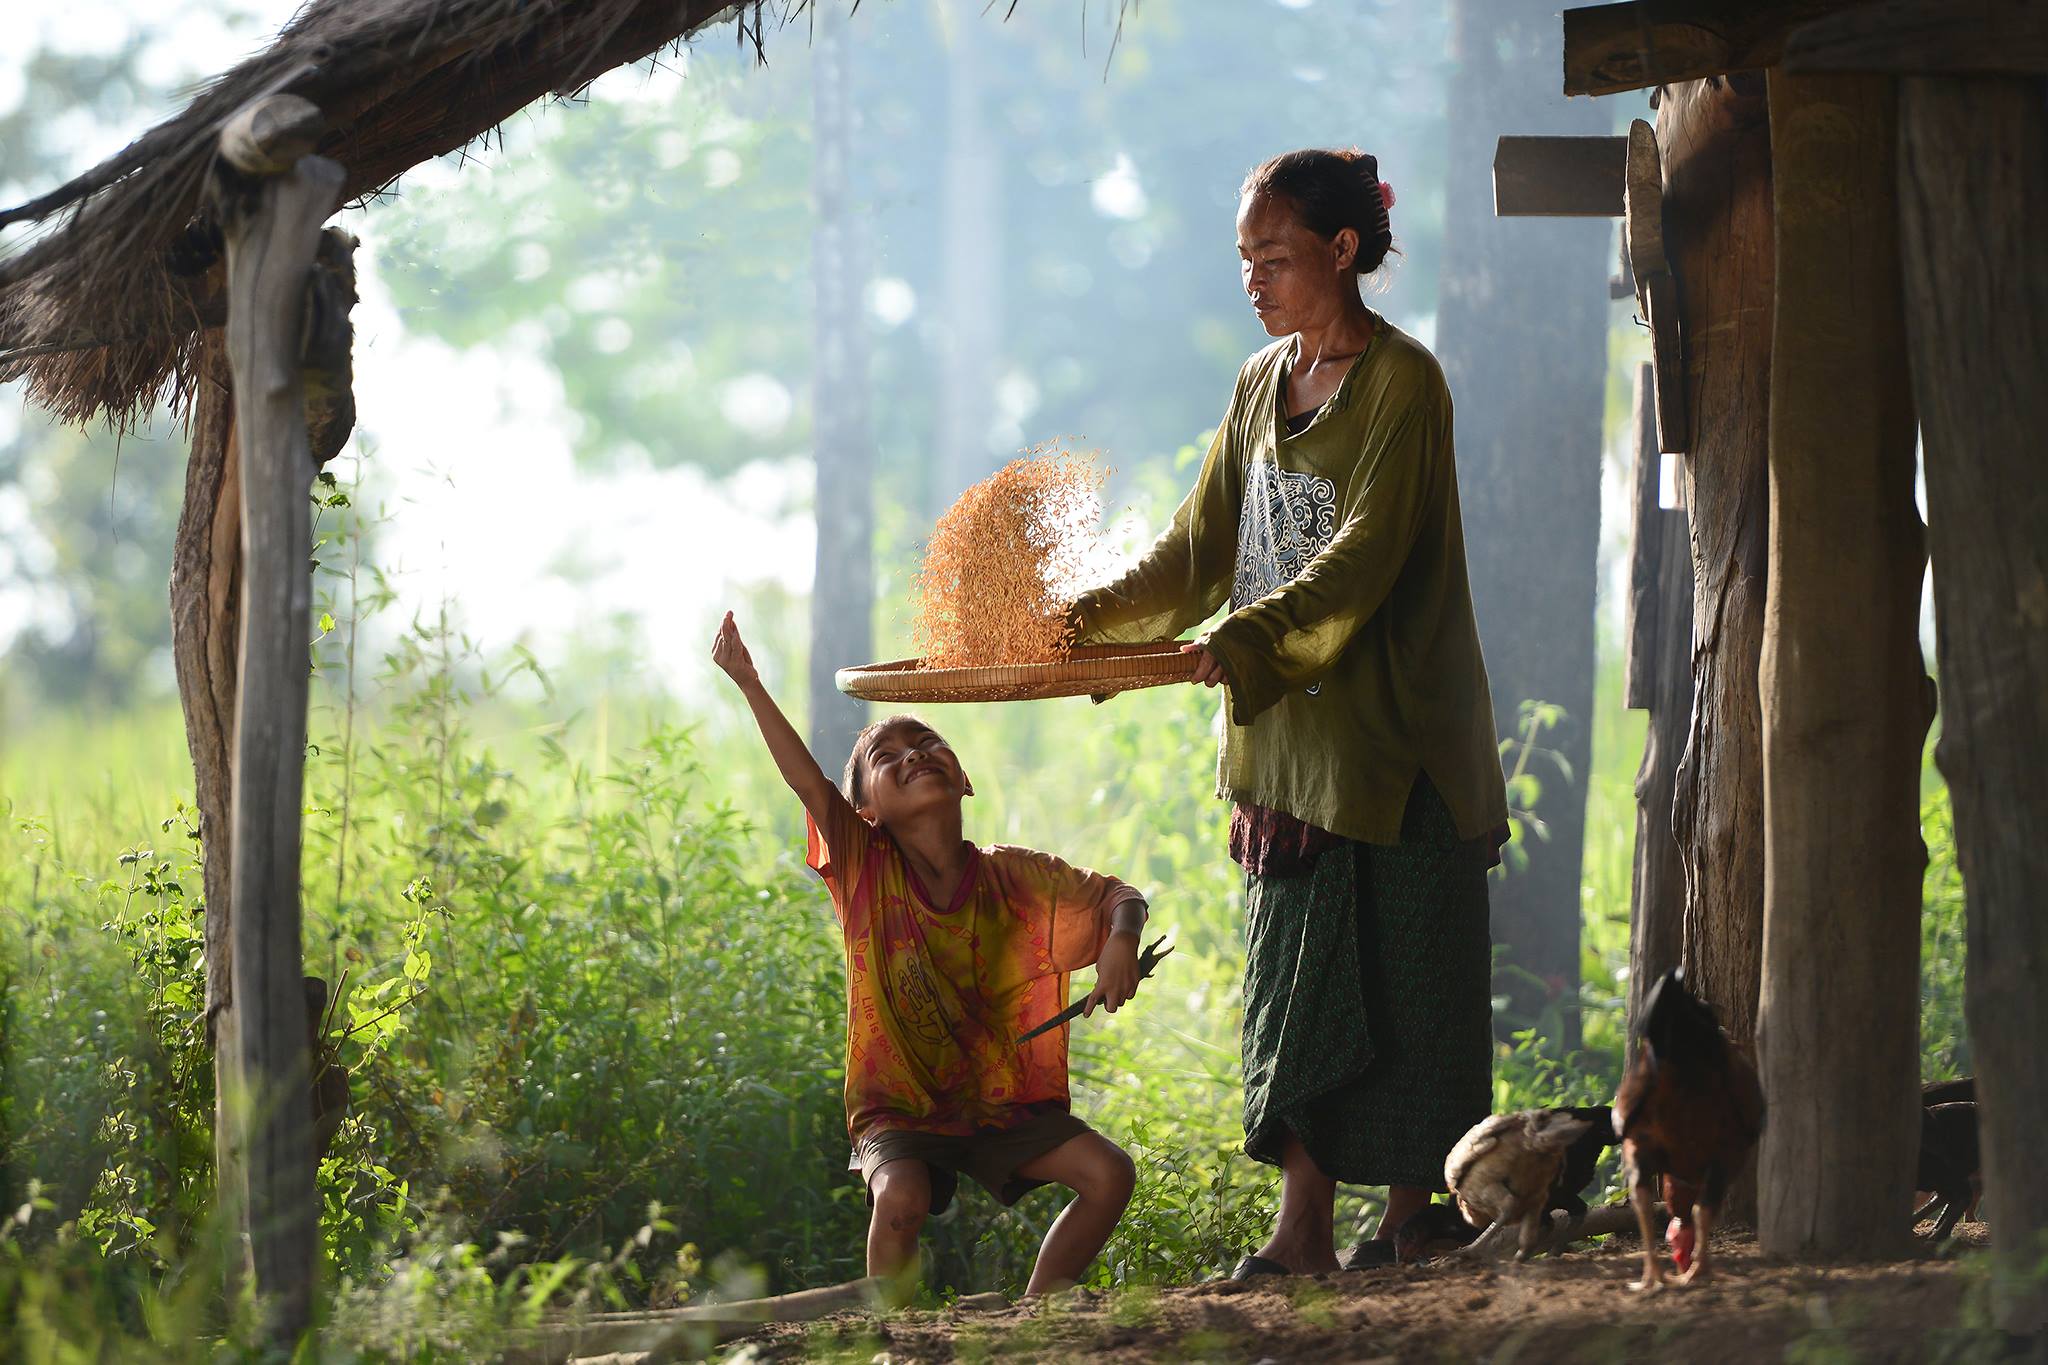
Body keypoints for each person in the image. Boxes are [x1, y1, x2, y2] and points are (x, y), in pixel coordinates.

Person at [1068, 147, 1509, 1278]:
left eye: (1273, 256)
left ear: (1341, 251)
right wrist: (1082, 621)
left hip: (1398, 741)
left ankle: (1414, 1217)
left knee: (1409, 980)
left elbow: (1362, 558)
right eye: (1244, 259)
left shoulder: (1406, 384)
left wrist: (1248, 639)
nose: (1253, 279)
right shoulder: (1258, 382)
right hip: (1289, 747)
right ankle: (1299, 1229)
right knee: (1299, 990)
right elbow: (1196, 546)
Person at [710, 611, 1147, 1296]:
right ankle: (894, 1332)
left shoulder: (1015, 876)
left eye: (928, 741)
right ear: (866, 813)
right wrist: (749, 683)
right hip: (898, 1104)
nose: (914, 753)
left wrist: (1122, 941)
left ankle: (1042, 1303)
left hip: (1002, 1102)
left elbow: (1119, 893)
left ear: (964, 777)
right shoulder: (863, 866)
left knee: (1109, 1174)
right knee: (902, 1200)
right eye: (887, 757)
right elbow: (808, 783)